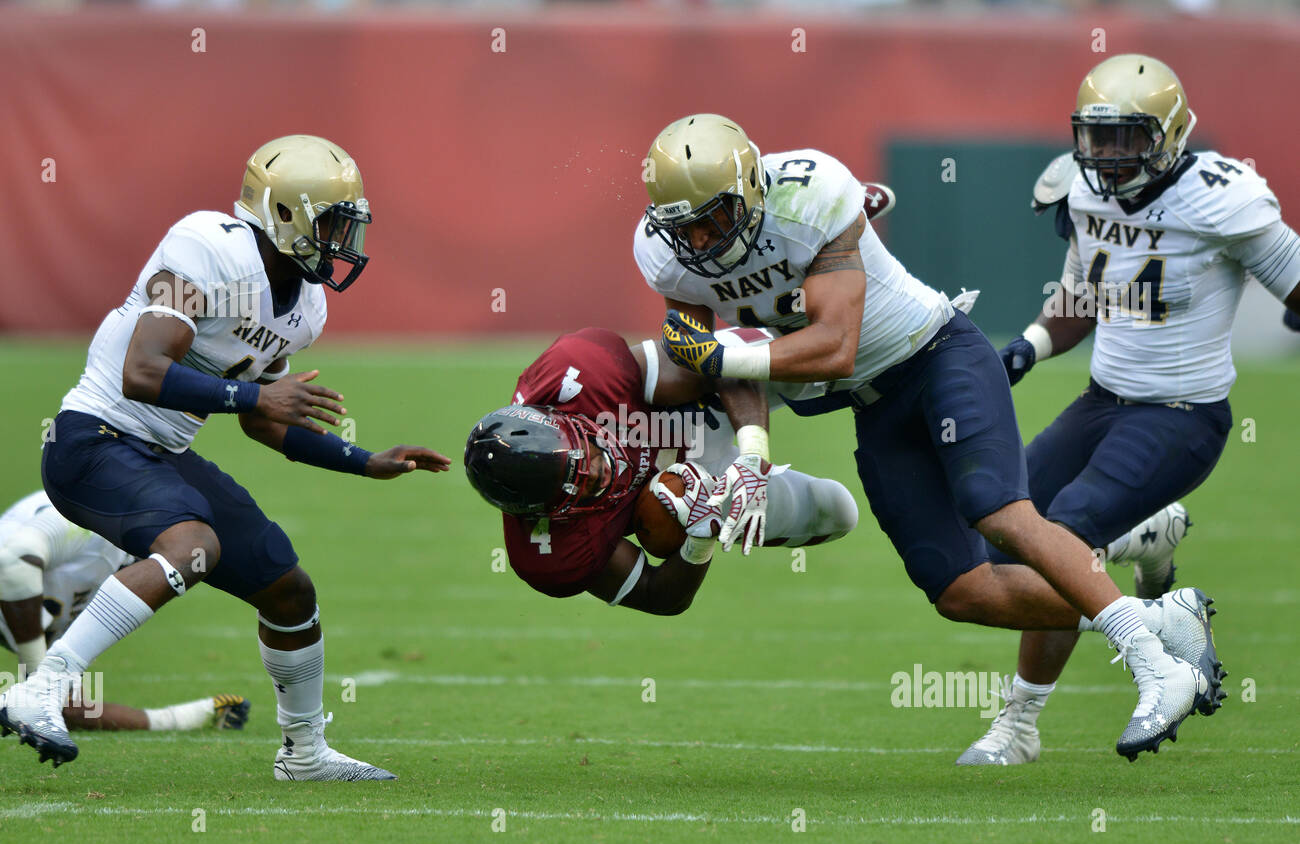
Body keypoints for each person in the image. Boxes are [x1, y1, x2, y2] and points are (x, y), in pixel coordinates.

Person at [638, 112, 1219, 760]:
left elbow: (833, 346)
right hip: (875, 406)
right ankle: (1161, 621)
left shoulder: (807, 195)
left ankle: (1156, 667)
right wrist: (751, 455)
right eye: (681, 227)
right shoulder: (665, 252)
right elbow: (717, 352)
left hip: (938, 355)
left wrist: (719, 358)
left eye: (712, 218)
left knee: (998, 513)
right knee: (959, 589)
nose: (698, 239)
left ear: (750, 189)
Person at [0, 135, 450, 778]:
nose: (343, 240)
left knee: (287, 588)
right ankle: (42, 689)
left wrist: (364, 459)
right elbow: (143, 369)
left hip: (159, 452)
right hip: (92, 437)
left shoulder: (306, 304)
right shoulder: (206, 248)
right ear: (285, 214)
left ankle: (305, 753)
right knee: (193, 544)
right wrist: (254, 394)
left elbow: (264, 422)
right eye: (332, 223)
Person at [958, 53, 1300, 764]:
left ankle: (1019, 724)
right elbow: (1083, 298)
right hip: (1099, 404)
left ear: (1171, 136)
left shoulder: (1221, 197)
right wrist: (1027, 346)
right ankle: (1151, 557)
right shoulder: (1084, 194)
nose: (1109, 157)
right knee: (997, 533)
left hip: (1179, 415)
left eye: (1127, 138)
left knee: (1062, 537)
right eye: (1097, 137)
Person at [464, 327, 859, 614]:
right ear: (544, 514)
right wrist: (699, 540)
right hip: (691, 494)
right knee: (838, 511)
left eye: (588, 455)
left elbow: (716, 364)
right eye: (582, 487)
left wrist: (753, 459)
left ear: (563, 419)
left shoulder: (580, 374)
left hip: (692, 410)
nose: (602, 472)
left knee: (815, 351)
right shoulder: (548, 553)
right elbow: (658, 596)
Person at [0, 490, 250, 732]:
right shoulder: (90, 517)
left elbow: (72, 707)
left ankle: (178, 719)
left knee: (64, 702)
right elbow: (13, 566)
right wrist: (37, 681)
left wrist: (183, 718)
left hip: (28, 613)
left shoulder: (131, 560)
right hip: (19, 599)